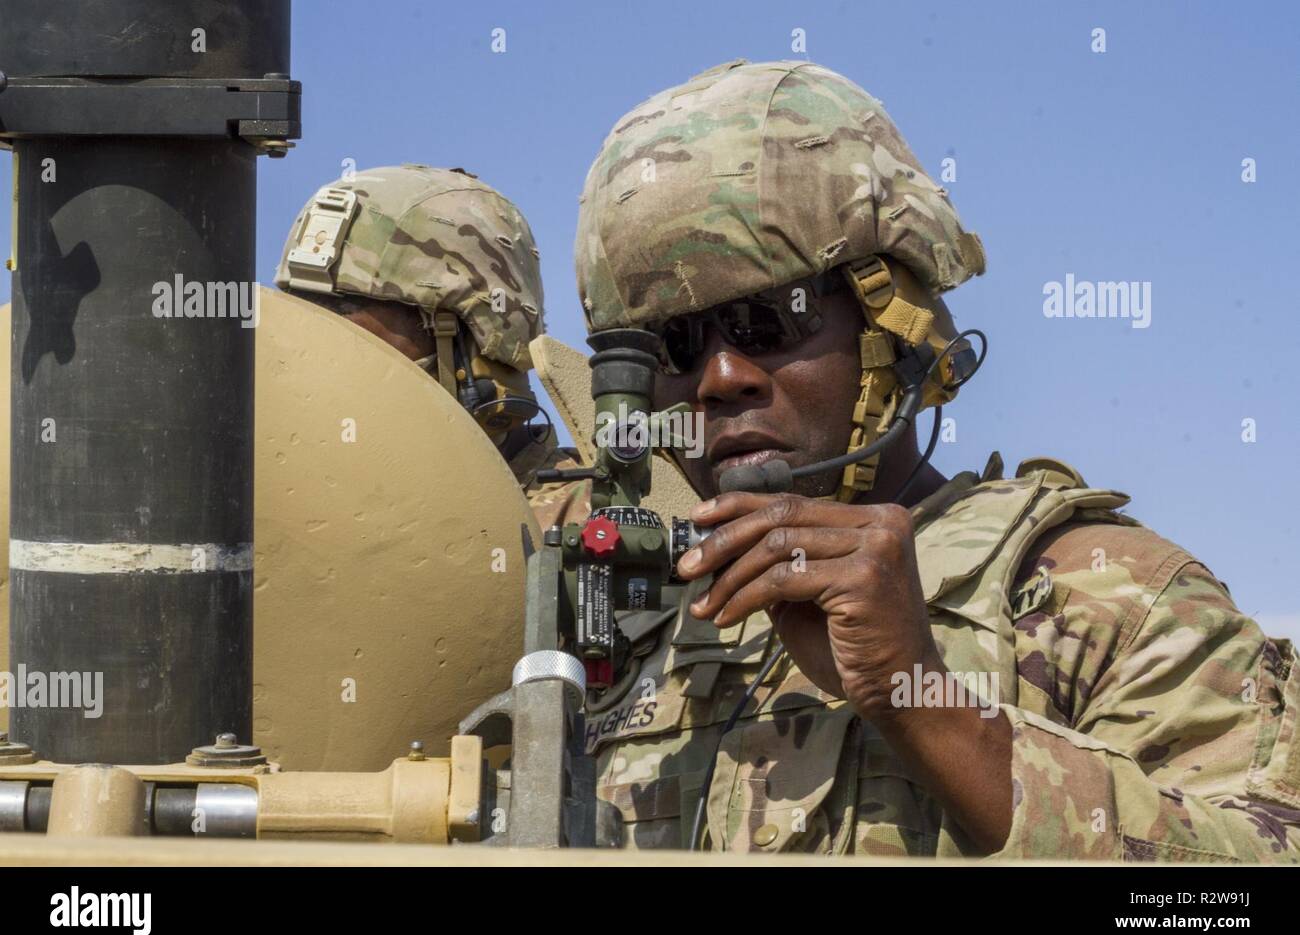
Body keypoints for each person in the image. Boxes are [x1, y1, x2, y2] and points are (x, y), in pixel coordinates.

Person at [570, 59, 1300, 859]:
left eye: (770, 320)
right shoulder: (638, 632)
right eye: (674, 345)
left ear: (892, 327)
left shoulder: (1111, 595)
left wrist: (924, 704)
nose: (718, 380)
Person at [275, 163, 589, 529]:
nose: (316, 359)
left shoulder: (589, 527)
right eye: (305, 324)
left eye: (347, 332)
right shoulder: (290, 505)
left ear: (480, 343)